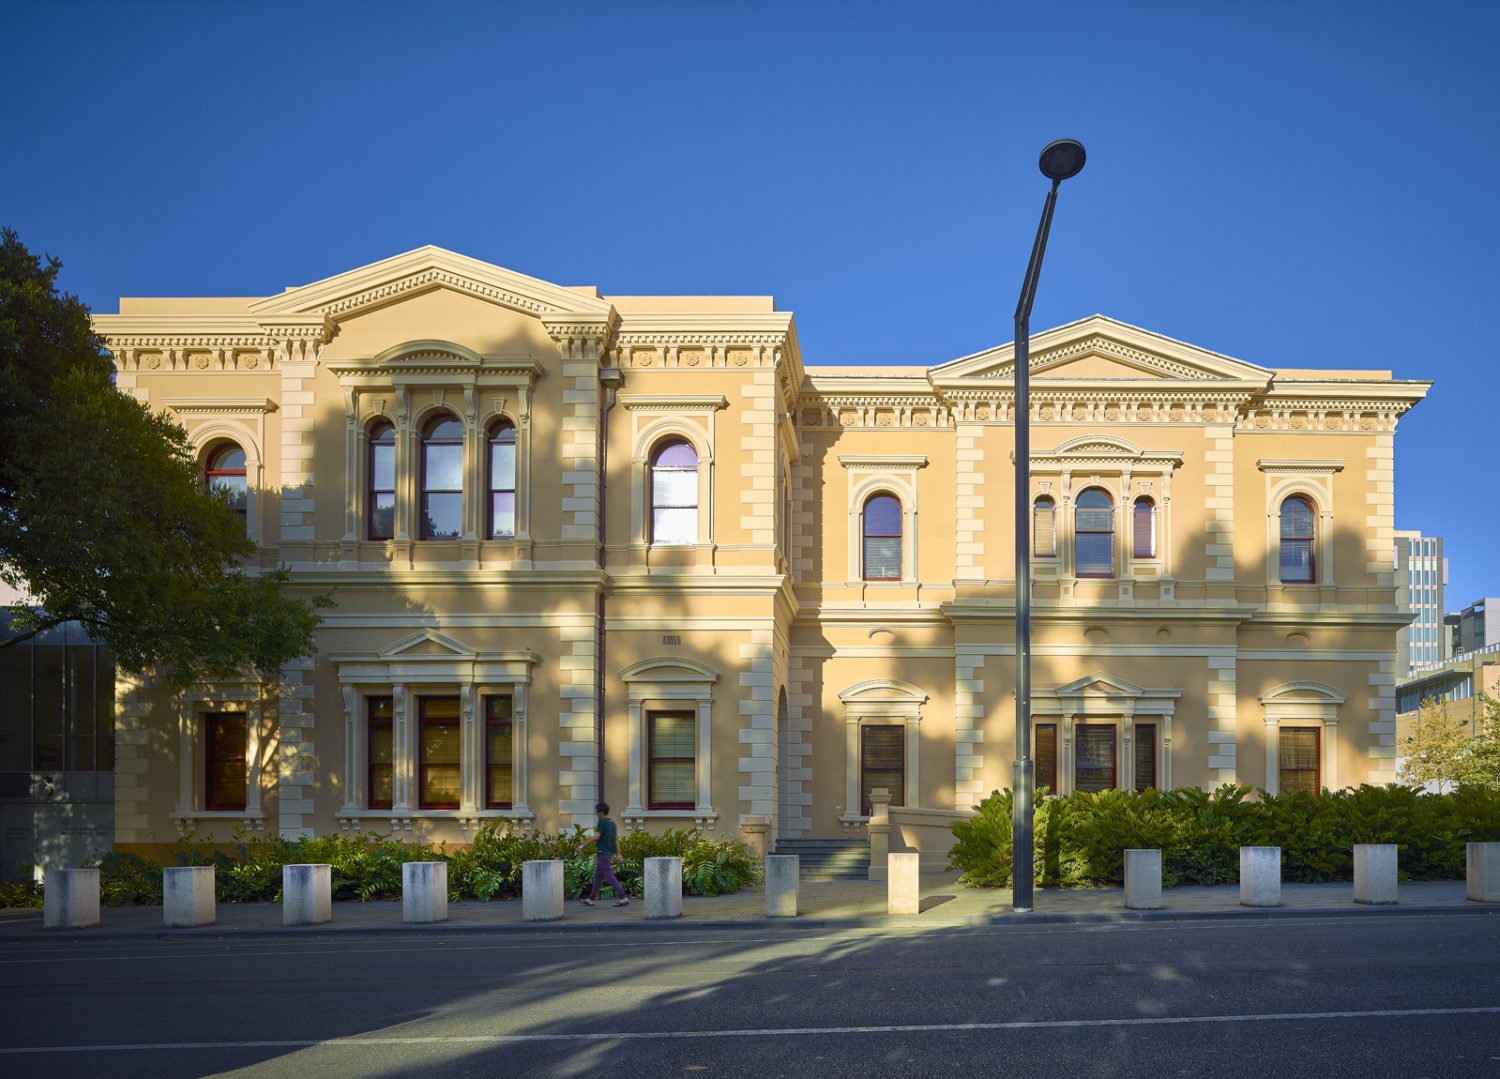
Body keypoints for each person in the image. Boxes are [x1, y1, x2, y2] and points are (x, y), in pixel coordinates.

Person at [577, 801, 629, 907]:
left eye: (597, 811)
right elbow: (615, 840)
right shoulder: (612, 824)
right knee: (598, 877)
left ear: (601, 812)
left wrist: (581, 846)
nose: (596, 813)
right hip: (608, 853)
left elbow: (596, 837)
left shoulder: (602, 822)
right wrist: (618, 854)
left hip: (603, 853)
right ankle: (591, 899)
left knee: (609, 876)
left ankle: (623, 897)